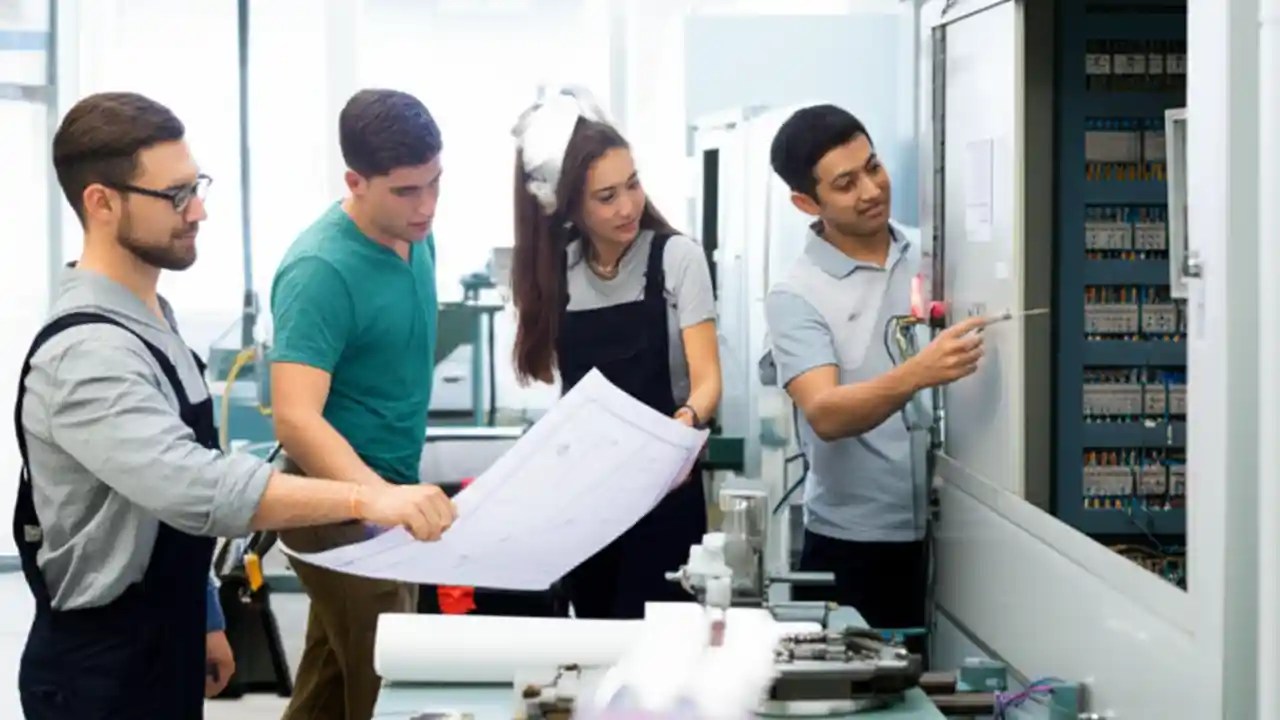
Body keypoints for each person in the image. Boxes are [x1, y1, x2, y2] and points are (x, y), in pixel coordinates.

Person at [15, 91, 457, 720]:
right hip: (102, 665)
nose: (198, 210)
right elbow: (194, 485)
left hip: (161, 633)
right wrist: (368, 498)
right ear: (102, 203)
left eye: (196, 187)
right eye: (175, 196)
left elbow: (159, 505)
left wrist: (202, 613)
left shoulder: (150, 320)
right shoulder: (88, 355)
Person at [762, 104, 985, 653]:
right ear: (806, 203)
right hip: (857, 547)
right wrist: (916, 374)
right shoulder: (798, 293)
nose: (871, 190)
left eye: (873, 167)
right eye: (846, 184)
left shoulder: (930, 254)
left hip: (958, 535)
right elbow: (825, 412)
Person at [509, 88, 722, 620]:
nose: (628, 206)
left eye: (633, 184)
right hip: (588, 499)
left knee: (662, 640)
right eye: (606, 197)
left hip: (665, 491)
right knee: (595, 639)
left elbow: (708, 382)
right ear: (570, 206)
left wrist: (683, 426)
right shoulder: (558, 270)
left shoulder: (677, 258)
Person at [269, 88, 443, 720]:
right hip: (337, 503)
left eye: (435, 183)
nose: (426, 206)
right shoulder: (320, 269)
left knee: (330, 684)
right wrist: (376, 499)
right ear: (355, 182)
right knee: (393, 684)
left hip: (390, 487)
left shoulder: (416, 235)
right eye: (405, 191)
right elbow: (295, 417)